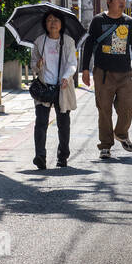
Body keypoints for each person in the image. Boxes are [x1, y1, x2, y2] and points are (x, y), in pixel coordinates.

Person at [80, 0, 132, 159]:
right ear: (109, 2)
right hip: (103, 73)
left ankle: (121, 133)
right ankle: (105, 145)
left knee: (128, 106)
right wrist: (85, 69)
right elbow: (88, 46)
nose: (122, 1)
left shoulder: (129, 22)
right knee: (104, 110)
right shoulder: (98, 21)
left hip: (124, 74)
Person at [31, 11, 77, 169]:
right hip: (44, 86)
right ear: (45, 23)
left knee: (63, 124)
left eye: (56, 20)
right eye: (49, 20)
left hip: (62, 87)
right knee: (41, 122)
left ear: (62, 24)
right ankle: (40, 156)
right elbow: (33, 64)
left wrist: (66, 76)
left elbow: (72, 63)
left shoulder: (68, 41)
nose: (53, 23)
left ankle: (63, 156)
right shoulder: (40, 41)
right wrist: (38, 64)